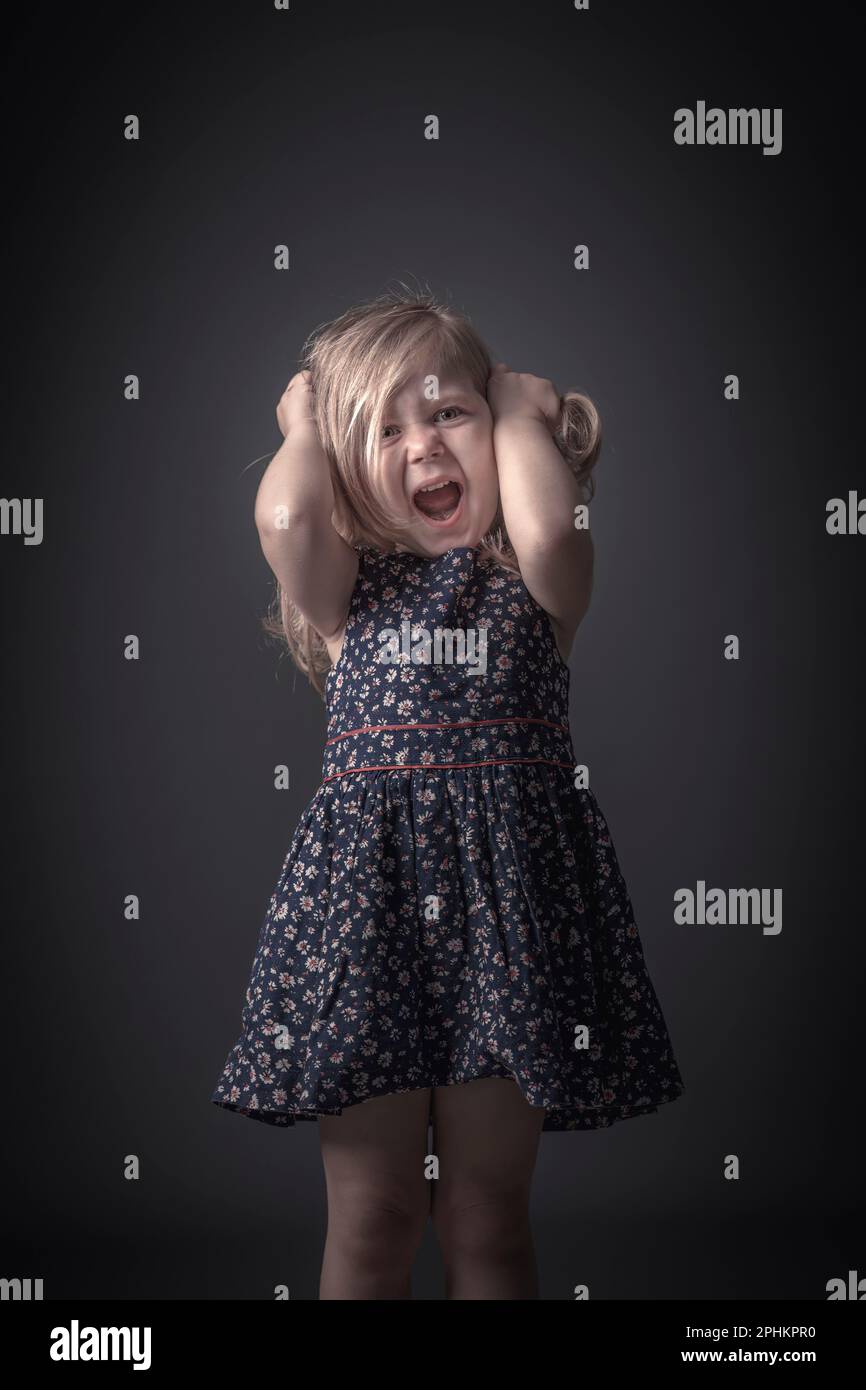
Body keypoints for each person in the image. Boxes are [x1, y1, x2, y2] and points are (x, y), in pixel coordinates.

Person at [211, 286, 685, 1299]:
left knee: (482, 1213)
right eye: (383, 427)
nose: (422, 444)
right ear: (347, 462)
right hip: (372, 924)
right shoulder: (346, 596)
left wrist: (518, 409)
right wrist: (301, 423)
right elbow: (288, 508)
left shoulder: (536, 586)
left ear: (496, 432)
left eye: (447, 413)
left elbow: (552, 529)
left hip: (507, 922)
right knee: (375, 1214)